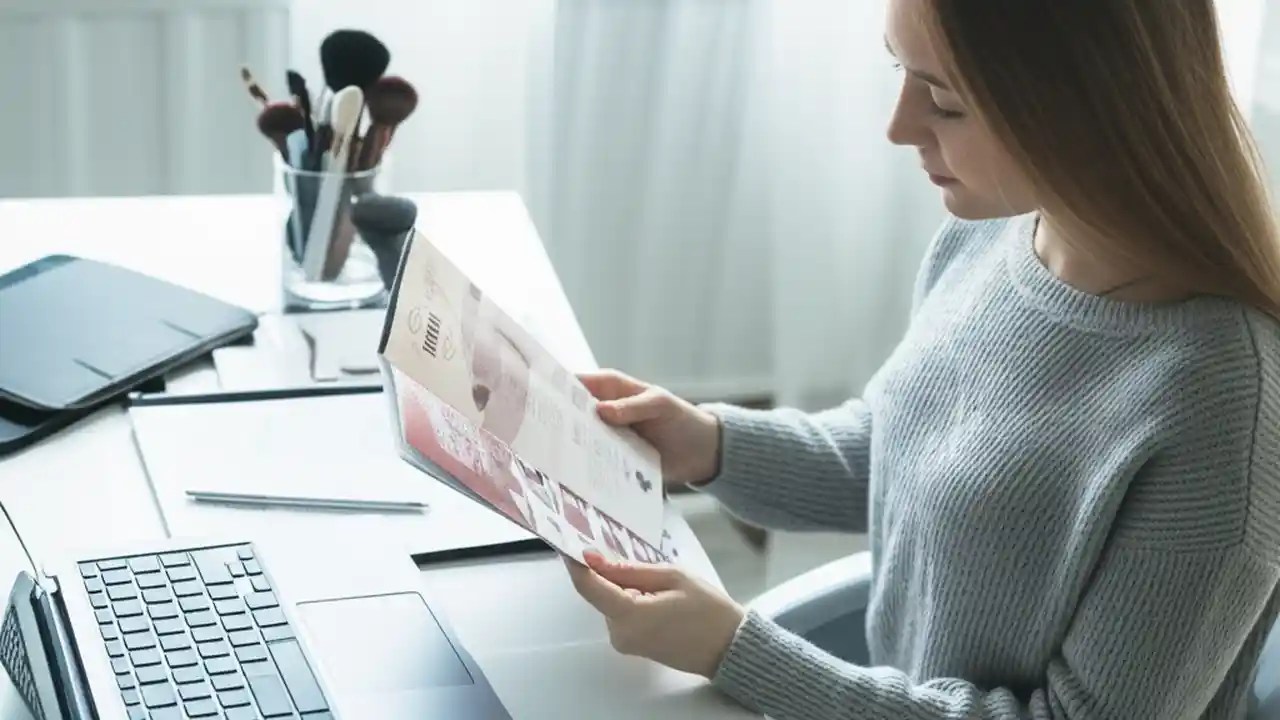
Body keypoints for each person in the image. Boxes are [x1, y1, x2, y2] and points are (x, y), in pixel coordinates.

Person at [563, 1, 1280, 718]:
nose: (899, 126)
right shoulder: (989, 240)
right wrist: (710, 445)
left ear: (1081, 106)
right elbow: (903, 450)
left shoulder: (1220, 407)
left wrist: (737, 650)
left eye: (942, 101)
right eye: (900, 71)